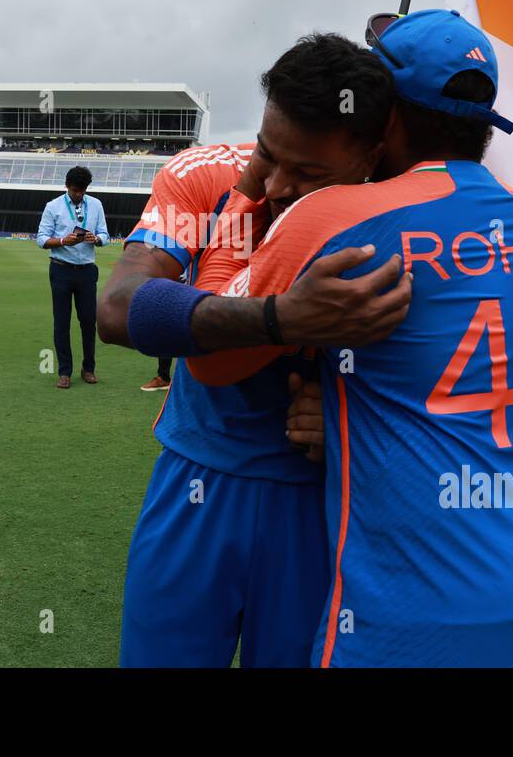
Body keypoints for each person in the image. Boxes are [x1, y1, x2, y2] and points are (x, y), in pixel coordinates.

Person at [183, 10, 513, 666]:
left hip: (422, 611)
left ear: (383, 114)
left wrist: (249, 187)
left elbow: (209, 356)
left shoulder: (334, 214)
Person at [97, 35, 409, 666]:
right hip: (194, 479)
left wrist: (353, 419)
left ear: (371, 157)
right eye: (269, 153)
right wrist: (277, 317)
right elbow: (117, 308)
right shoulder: (202, 175)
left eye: (310, 175)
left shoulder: (401, 207)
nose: (277, 185)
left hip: (322, 497)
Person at [36, 166, 109, 388]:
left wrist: (95, 239)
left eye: (83, 191)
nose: (79, 194)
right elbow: (41, 239)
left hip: (87, 270)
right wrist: (61, 241)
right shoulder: (53, 206)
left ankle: (89, 369)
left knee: (88, 322)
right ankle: (64, 372)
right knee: (62, 322)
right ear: (67, 186)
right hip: (61, 269)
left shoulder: (95, 204)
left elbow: (106, 235)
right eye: (76, 190)